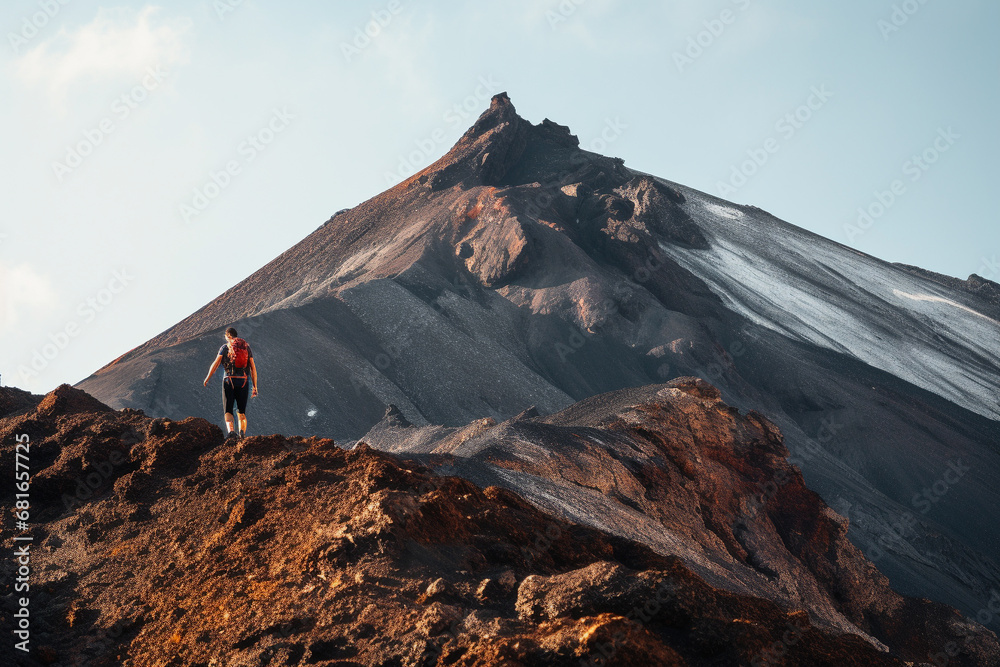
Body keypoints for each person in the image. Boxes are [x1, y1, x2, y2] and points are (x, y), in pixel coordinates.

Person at [203, 327, 258, 439]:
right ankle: (242, 433)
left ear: (228, 336)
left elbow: (216, 363)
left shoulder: (225, 347)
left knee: (228, 410)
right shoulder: (246, 348)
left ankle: (231, 432)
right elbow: (253, 368)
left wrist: (207, 378)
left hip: (229, 380)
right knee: (241, 411)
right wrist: (255, 386)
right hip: (243, 381)